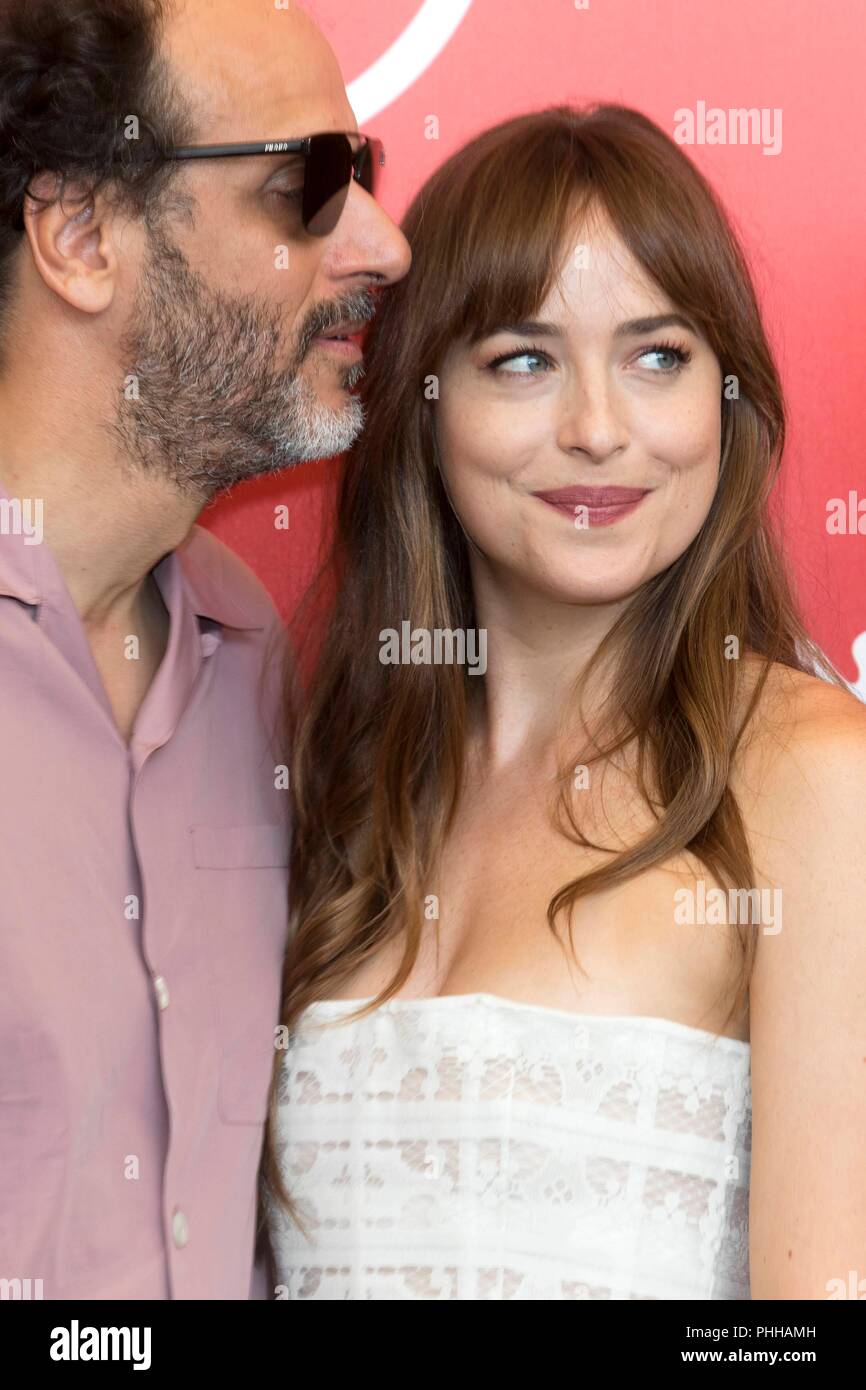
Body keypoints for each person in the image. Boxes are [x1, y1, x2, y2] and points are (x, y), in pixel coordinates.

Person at [266, 105, 866, 1300]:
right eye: (523, 361)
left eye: (657, 356)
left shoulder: (808, 774)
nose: (597, 430)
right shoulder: (340, 770)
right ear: (421, 400)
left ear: (724, 399)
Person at [0, 0, 410, 1300]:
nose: (385, 245)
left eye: (369, 177)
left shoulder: (246, 652)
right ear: (79, 236)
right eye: (306, 186)